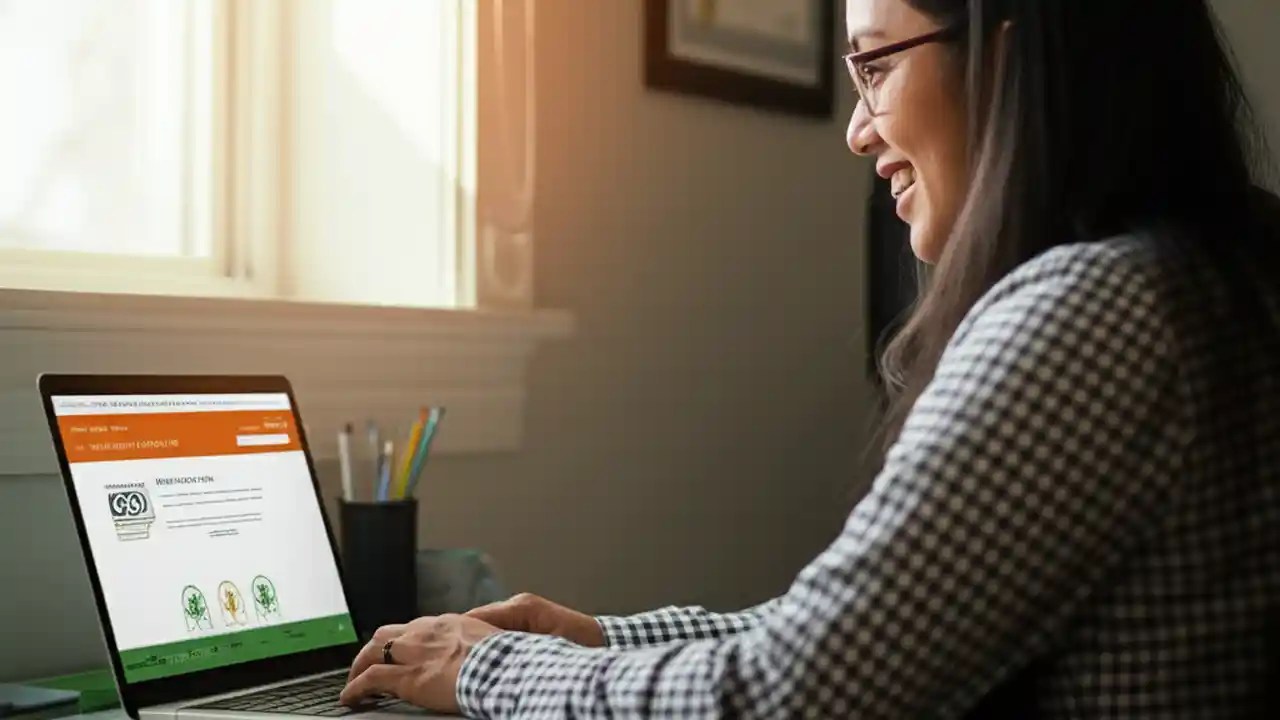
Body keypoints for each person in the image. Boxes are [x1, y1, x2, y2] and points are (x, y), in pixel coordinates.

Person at [340, 0, 1280, 716]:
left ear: (1007, 53)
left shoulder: (1091, 310)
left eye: (873, 66)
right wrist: (592, 638)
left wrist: (485, 670)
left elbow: (796, 693)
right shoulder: (1206, 272)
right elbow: (864, 635)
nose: (856, 127)